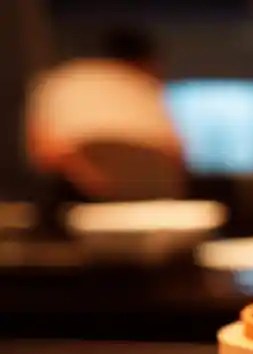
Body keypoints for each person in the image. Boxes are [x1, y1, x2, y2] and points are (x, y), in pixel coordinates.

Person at [26, 27, 186, 217]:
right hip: (123, 197)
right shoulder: (144, 84)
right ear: (145, 61)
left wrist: (89, 178)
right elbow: (177, 155)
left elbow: (44, 151)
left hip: (87, 192)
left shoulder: (59, 79)